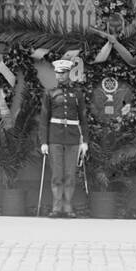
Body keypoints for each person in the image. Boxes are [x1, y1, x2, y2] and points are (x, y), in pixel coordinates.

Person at [39, 58, 89, 218]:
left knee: (70, 174)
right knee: (57, 174)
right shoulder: (50, 93)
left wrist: (85, 142)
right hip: (55, 138)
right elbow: (44, 119)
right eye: (58, 73)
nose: (60, 76)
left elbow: (83, 118)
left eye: (63, 73)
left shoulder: (77, 94)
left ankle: (68, 207)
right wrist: (44, 142)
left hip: (73, 138)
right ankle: (56, 207)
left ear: (69, 73)